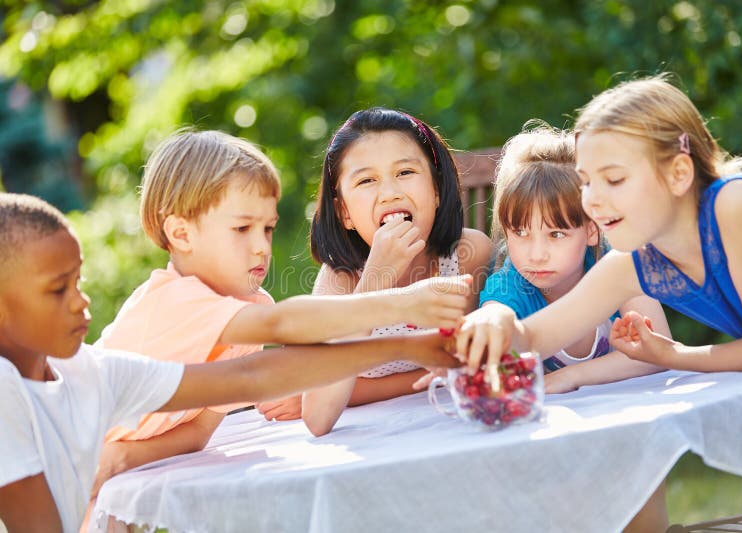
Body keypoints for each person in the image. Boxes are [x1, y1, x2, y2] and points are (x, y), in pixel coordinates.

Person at [454, 74, 742, 533]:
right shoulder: (634, 263)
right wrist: (494, 318)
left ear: (679, 173)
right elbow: (534, 336)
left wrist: (675, 356)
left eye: (613, 179)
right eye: (586, 183)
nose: (593, 201)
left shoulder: (736, 204)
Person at [0, 192, 460, 533]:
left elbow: (252, 376)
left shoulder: (94, 372)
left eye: (79, 282)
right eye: (58, 289)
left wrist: (407, 347)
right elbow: (280, 326)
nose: (81, 302)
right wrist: (398, 302)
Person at [91, 130, 472, 500]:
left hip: (102, 474)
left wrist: (118, 459)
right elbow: (281, 332)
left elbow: (199, 433)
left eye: (268, 228)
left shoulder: (251, 307)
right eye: (242, 228)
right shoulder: (173, 300)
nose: (261, 247)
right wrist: (401, 303)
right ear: (181, 234)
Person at [302, 107, 494, 436]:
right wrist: (375, 280)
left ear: (435, 190)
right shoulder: (342, 280)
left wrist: (358, 389)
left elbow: (482, 359)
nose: (390, 192)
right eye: (366, 180)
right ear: (344, 212)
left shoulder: (469, 256)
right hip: (379, 439)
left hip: (459, 428)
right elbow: (318, 415)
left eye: (405, 172)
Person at [478, 122, 668, 394]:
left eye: (556, 234)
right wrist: (489, 322)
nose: (537, 254)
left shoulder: (619, 266)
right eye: (520, 232)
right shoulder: (509, 286)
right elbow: (495, 320)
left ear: (592, 229)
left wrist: (572, 376)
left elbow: (658, 349)